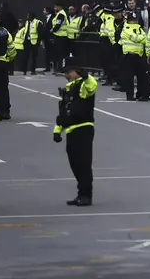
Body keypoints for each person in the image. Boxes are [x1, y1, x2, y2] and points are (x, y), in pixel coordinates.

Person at [53, 66, 97, 206]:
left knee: (84, 164)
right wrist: (57, 130)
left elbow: (91, 86)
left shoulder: (84, 84)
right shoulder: (68, 88)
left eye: (68, 72)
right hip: (71, 130)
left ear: (76, 72)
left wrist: (86, 76)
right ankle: (80, 193)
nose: (66, 75)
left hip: (83, 128)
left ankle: (86, 195)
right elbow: (64, 111)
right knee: (75, 164)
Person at [118, 12, 148, 101]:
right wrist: (141, 38)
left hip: (139, 55)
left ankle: (140, 94)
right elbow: (136, 38)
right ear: (128, 21)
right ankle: (130, 95)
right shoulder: (126, 29)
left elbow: (145, 39)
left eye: (135, 20)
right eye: (132, 20)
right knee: (129, 77)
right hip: (128, 56)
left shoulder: (140, 29)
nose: (134, 22)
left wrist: (141, 39)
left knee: (141, 76)